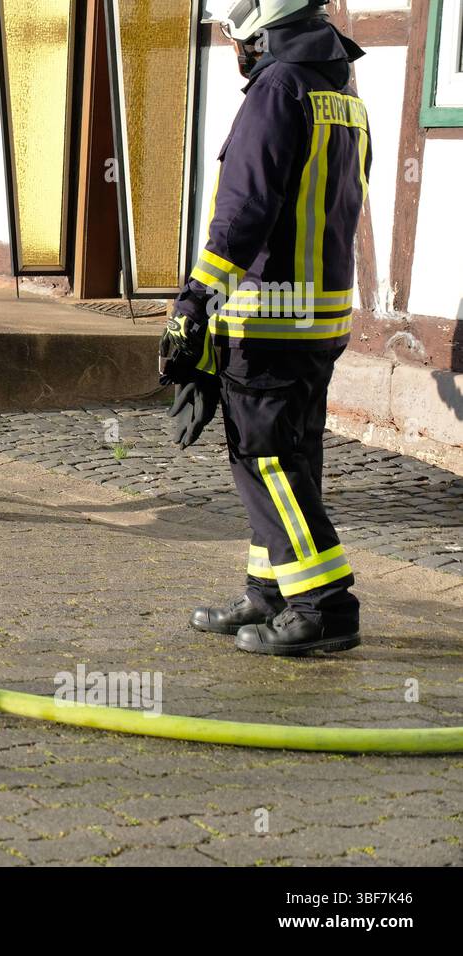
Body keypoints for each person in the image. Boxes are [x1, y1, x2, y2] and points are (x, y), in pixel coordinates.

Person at [163, 0, 369, 656]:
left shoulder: (279, 89)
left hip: (271, 318)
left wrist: (196, 302)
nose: (232, 49)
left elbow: (246, 209)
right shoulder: (341, 93)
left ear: (260, 29)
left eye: (233, 34)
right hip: (320, 315)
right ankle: (271, 593)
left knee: (266, 459)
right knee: (292, 459)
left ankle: (325, 606)